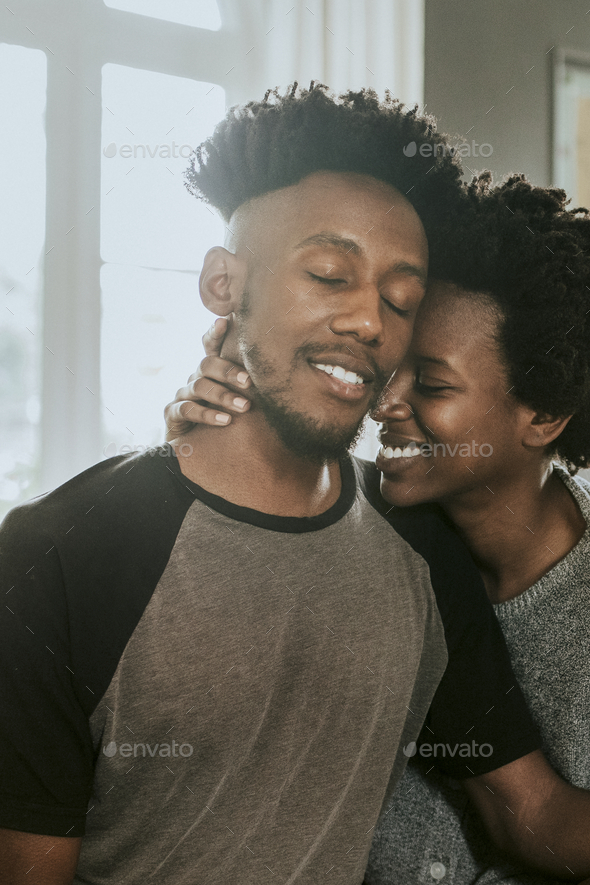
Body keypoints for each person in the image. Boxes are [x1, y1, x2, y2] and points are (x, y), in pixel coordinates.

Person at [0, 85, 587, 885]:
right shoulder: (56, 554)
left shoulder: (419, 546)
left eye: (399, 299)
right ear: (223, 286)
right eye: (328, 274)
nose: (370, 324)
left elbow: (528, 810)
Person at [165, 170, 590, 884]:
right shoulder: (357, 533)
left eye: (433, 383)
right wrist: (200, 447)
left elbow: (536, 816)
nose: (383, 398)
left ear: (542, 416)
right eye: (393, 363)